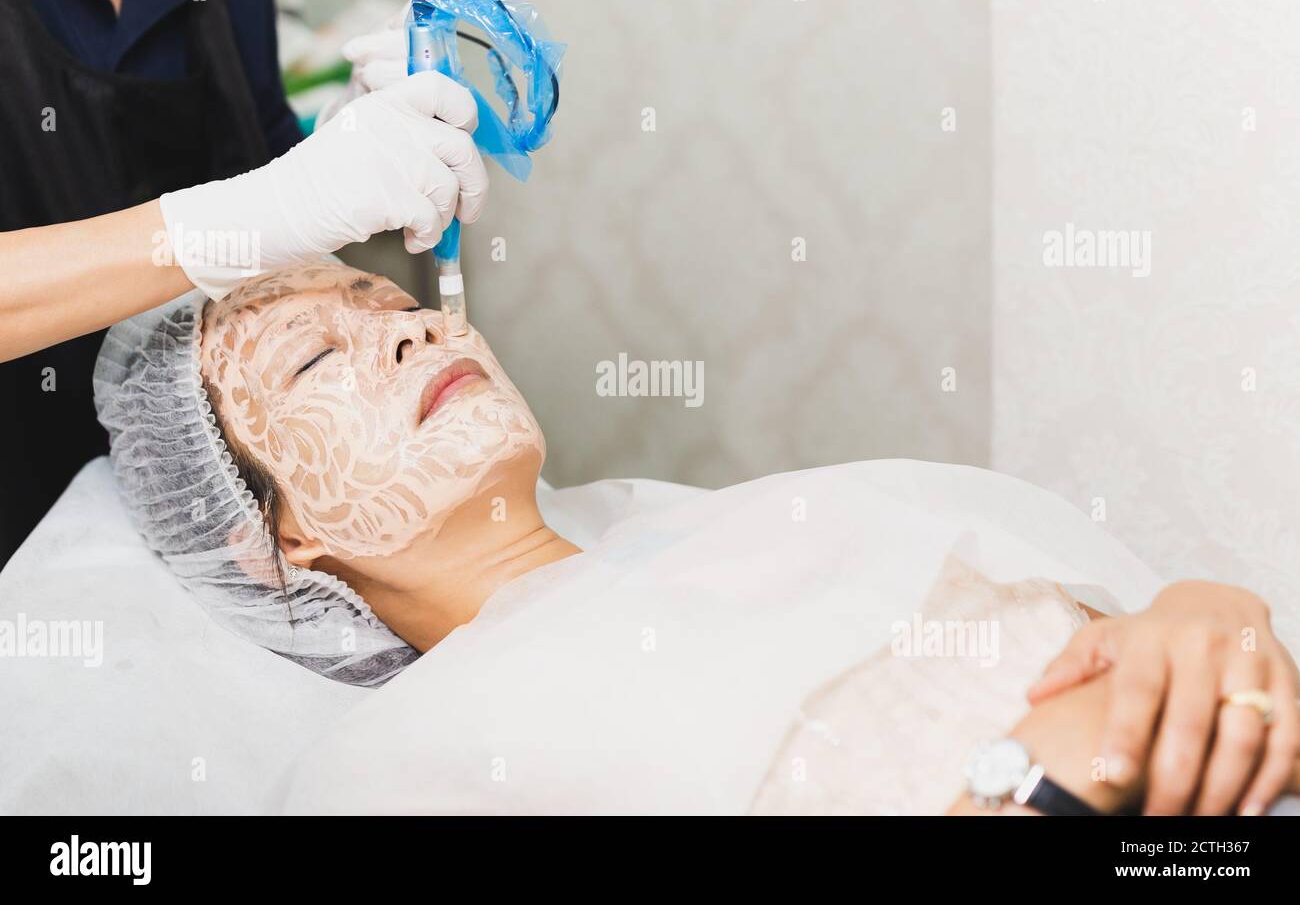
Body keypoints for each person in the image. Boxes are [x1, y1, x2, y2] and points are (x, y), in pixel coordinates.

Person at [93, 261, 1300, 815]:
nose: (410, 332)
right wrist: (1048, 780)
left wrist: (1207, 609)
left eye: (392, 300)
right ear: (271, 544)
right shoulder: (398, 769)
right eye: (314, 357)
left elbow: (1170, 665)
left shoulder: (781, 513)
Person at [0, 0, 467, 563]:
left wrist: (334, 143)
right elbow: (261, 207)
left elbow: (260, 167)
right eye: (313, 360)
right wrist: (248, 214)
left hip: (230, 496)